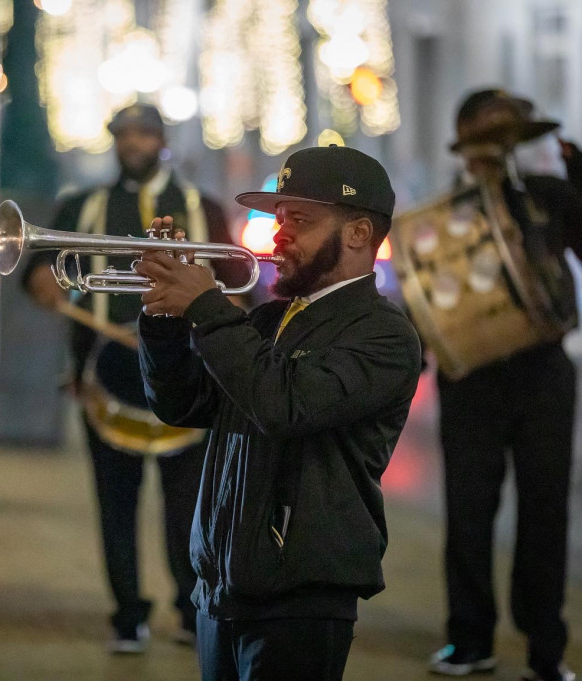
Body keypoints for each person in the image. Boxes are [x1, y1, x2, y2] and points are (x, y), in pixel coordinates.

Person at [136, 144, 423, 681]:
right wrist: (163, 320)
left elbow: (284, 404)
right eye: (279, 219)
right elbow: (182, 403)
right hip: (221, 589)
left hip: (300, 600)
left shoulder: (385, 336)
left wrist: (206, 306)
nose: (278, 235)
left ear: (358, 233)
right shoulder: (270, 320)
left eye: (301, 220)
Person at [22, 102, 244, 653]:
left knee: (191, 506)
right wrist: (37, 282)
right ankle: (127, 614)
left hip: (190, 372)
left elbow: (240, 279)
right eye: (125, 134)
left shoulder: (203, 206)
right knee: (115, 504)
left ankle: (192, 609)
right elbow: (36, 267)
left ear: (161, 140)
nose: (134, 143)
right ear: (114, 140)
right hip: (109, 371)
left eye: (145, 134)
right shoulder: (81, 204)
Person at [427, 89, 582, 681]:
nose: (493, 154)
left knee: (545, 513)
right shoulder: (449, 213)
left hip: (544, 371)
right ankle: (469, 640)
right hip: (472, 377)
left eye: (503, 140)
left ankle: (546, 649)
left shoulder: (547, 198)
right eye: (482, 142)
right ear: (465, 150)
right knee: (469, 512)